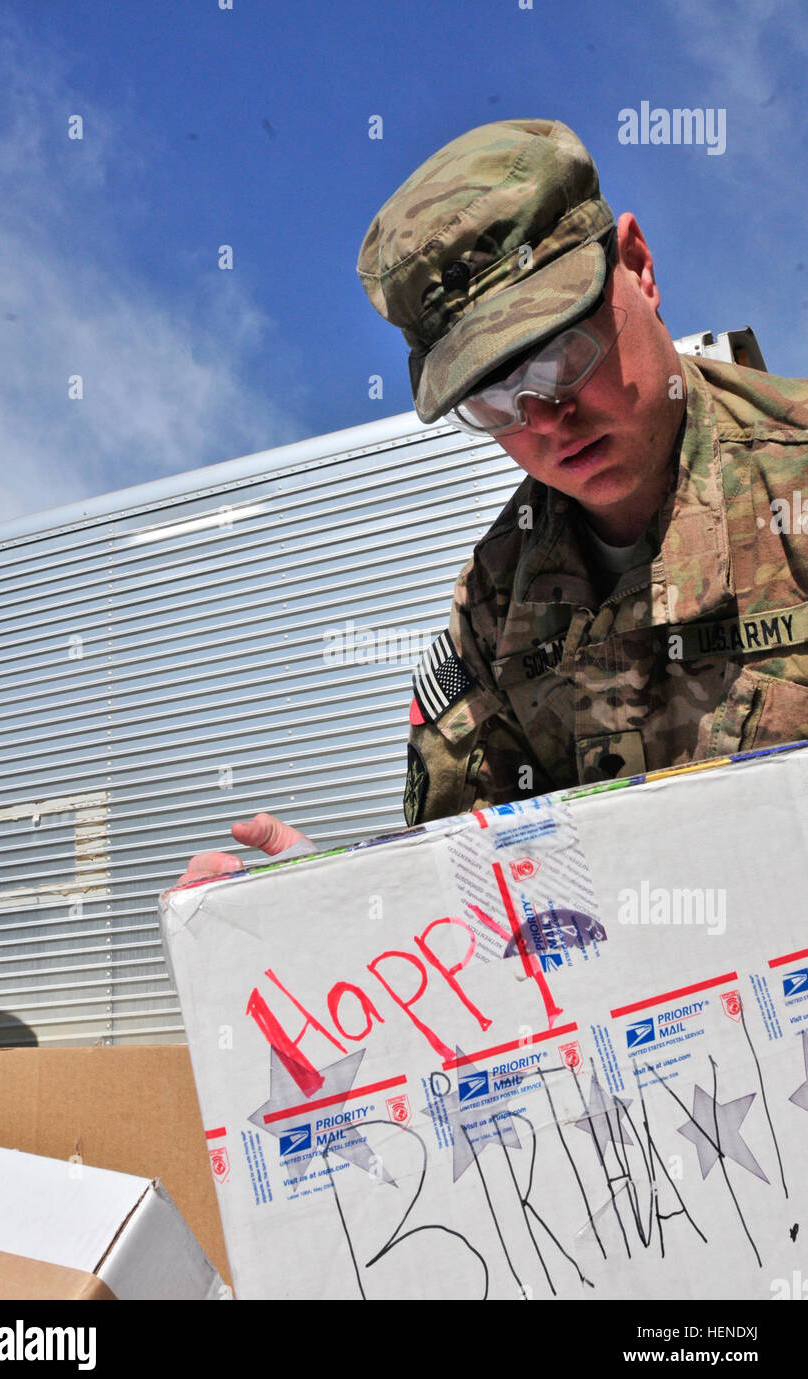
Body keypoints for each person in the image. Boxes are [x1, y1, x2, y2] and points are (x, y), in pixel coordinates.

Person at [177, 117, 808, 886]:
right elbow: (478, 888)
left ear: (637, 267)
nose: (543, 418)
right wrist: (323, 910)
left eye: (561, 352)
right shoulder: (493, 605)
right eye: (492, 397)